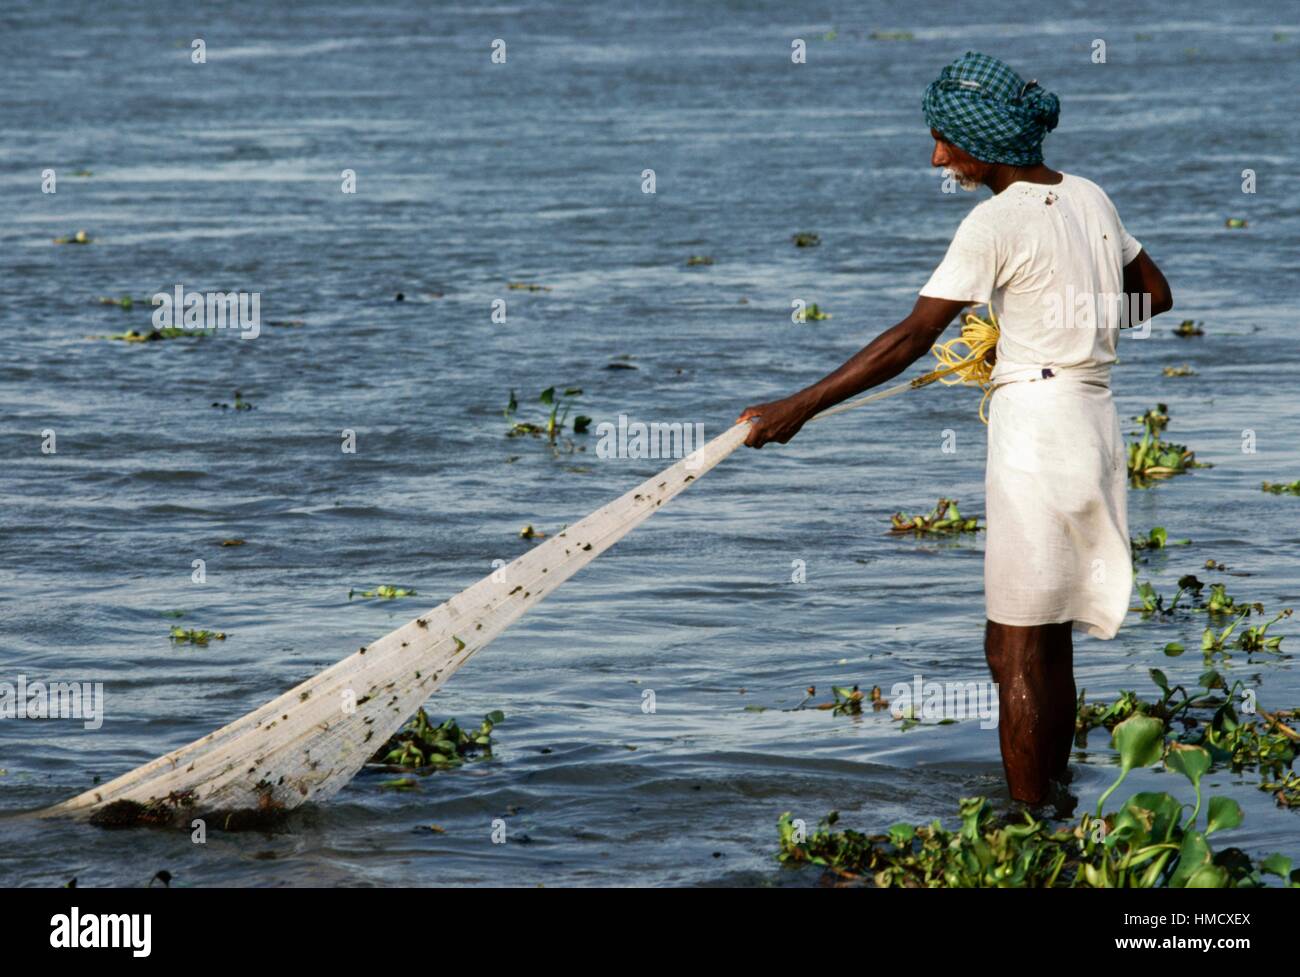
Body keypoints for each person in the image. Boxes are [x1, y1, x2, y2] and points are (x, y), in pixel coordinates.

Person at [737, 51, 1173, 806]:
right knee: (1038, 638)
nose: (938, 157)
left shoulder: (993, 221)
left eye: (946, 140)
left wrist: (795, 409)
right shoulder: (1091, 196)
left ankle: (1032, 824)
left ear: (987, 140)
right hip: (1093, 422)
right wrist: (1061, 328)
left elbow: (909, 340)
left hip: (1037, 430)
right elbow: (1155, 296)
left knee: (1019, 648)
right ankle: (1056, 797)